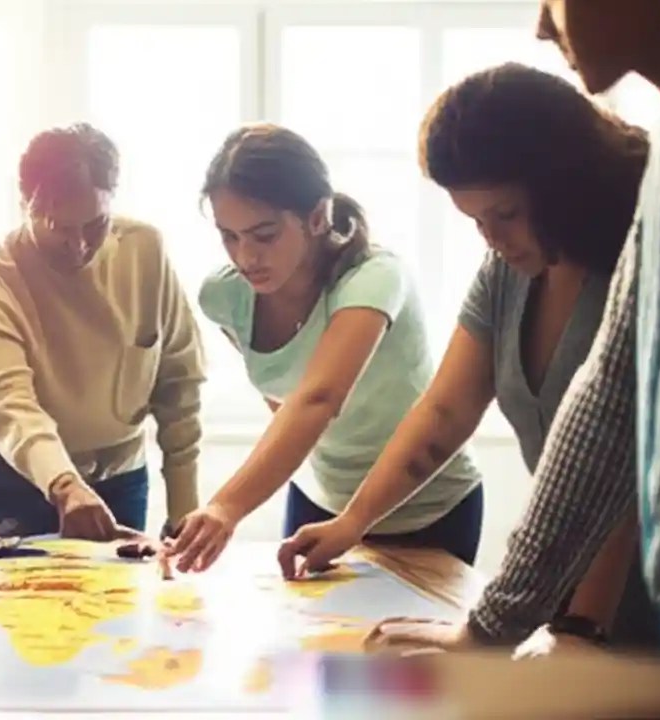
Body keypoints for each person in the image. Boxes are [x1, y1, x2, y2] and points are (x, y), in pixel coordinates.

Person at [278, 64, 658, 652]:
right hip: (569, 590)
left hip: (644, 591)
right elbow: (445, 411)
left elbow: (621, 465)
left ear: (564, 183)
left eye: (504, 215)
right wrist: (354, 523)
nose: (492, 239)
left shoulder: (640, 263)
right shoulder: (507, 270)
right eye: (476, 221)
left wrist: (581, 624)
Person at [364, 0, 660, 658]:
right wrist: (491, 629)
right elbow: (601, 409)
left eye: (503, 214)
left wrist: (572, 626)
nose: (542, 23)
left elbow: (621, 440)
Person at [167, 124, 483, 574]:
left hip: (427, 507)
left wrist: (225, 507)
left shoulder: (375, 276)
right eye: (229, 236)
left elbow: (319, 398)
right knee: (304, 644)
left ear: (317, 218)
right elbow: (285, 400)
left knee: (405, 644)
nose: (246, 257)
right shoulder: (223, 296)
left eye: (264, 235)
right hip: (318, 500)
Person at [0, 123, 206, 540]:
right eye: (58, 226)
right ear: (25, 204)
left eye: (94, 225)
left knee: (112, 603)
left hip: (119, 475)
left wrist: (184, 511)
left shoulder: (145, 250)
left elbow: (179, 384)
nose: (79, 245)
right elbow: (8, 405)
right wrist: (65, 484)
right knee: (12, 604)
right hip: (10, 480)